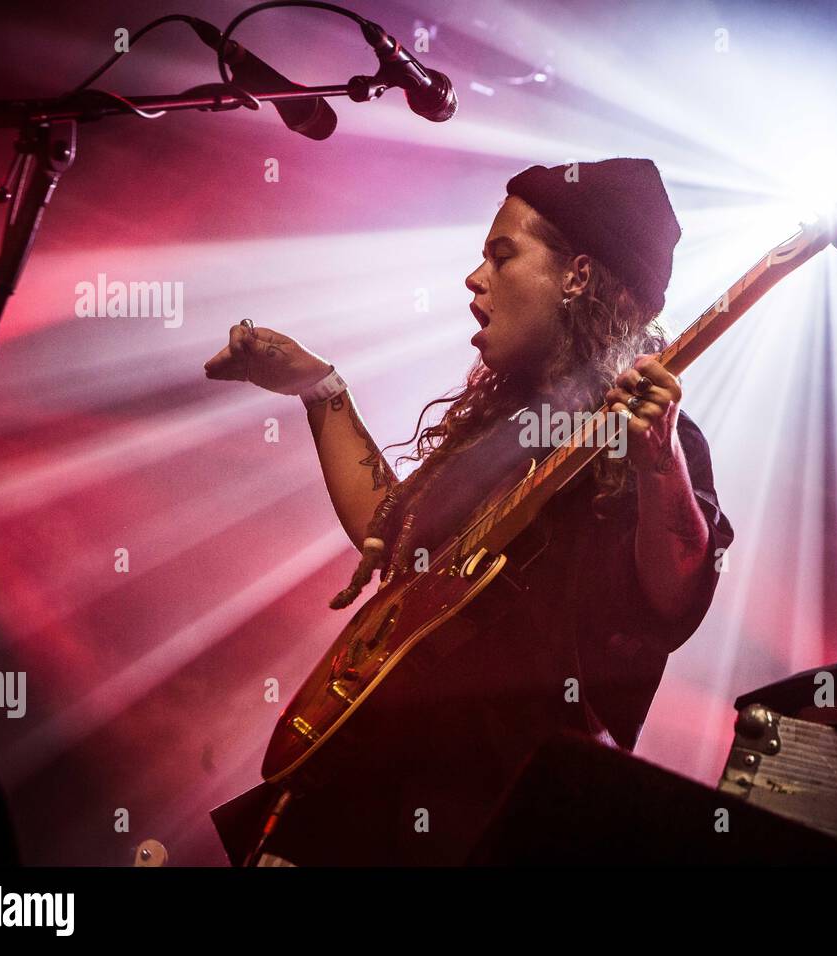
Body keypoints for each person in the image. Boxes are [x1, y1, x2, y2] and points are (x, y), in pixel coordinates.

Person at [204, 157, 735, 865]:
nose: (474, 279)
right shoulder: (499, 427)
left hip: (491, 826)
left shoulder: (648, 442)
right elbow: (396, 542)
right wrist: (321, 388)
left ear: (577, 277)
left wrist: (659, 460)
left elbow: (675, 595)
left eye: (502, 255)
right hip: (357, 803)